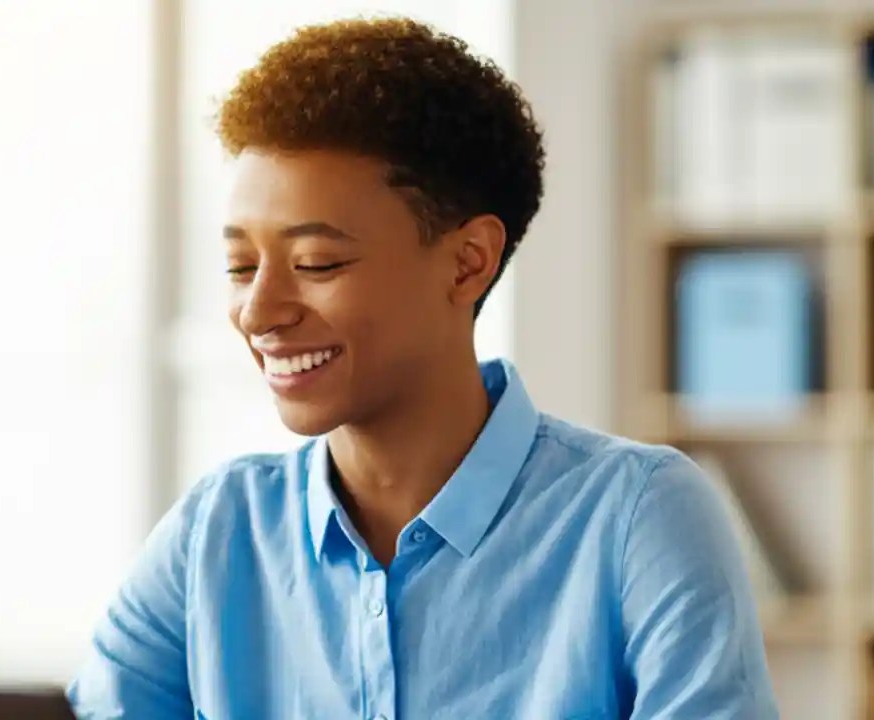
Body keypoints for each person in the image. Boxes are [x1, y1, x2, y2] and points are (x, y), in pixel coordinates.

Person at [68, 16, 778, 719]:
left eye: (318, 263)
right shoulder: (219, 532)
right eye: (241, 266)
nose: (259, 312)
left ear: (468, 262)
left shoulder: (636, 518)